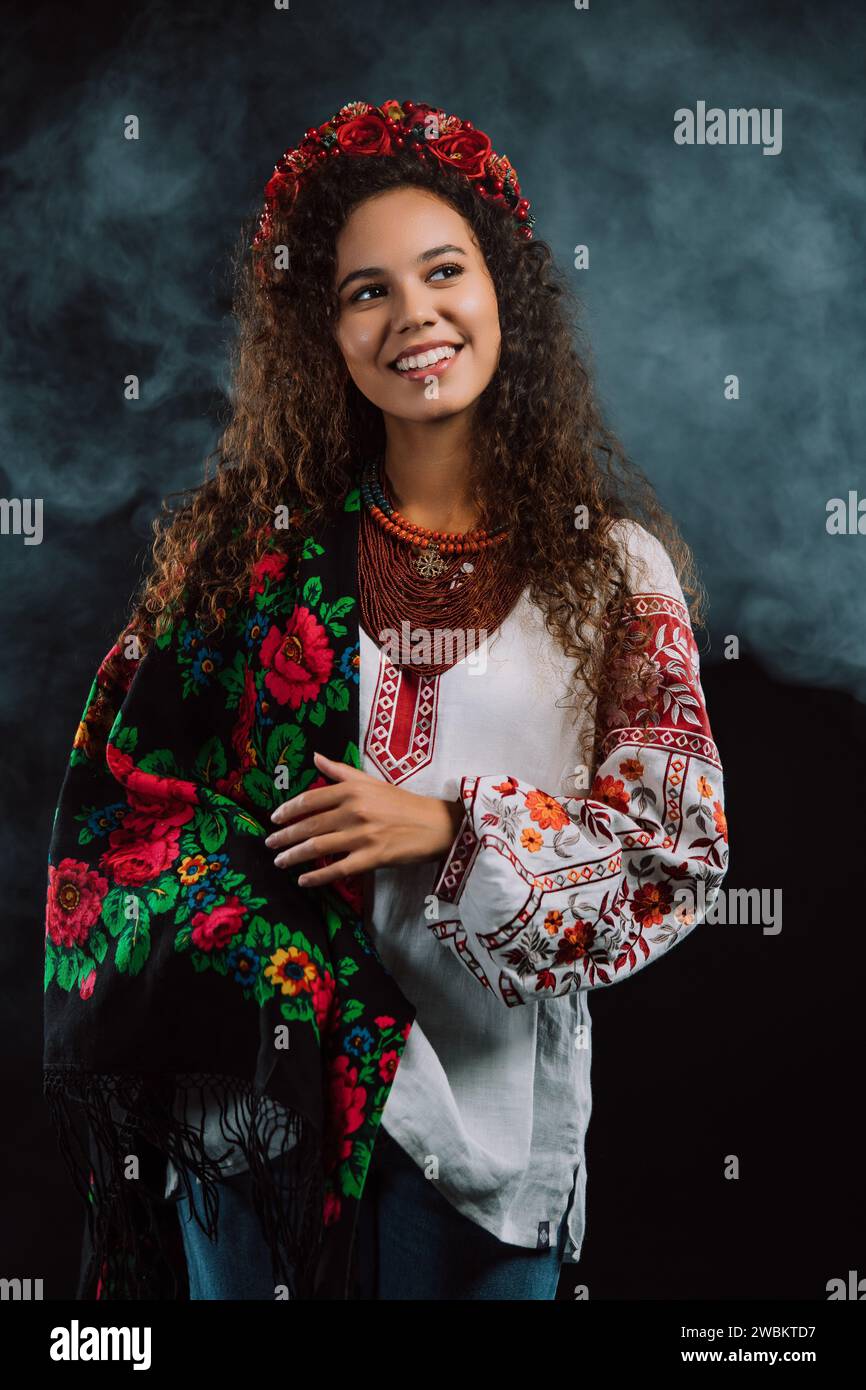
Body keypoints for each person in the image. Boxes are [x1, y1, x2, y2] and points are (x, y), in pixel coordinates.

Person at [43, 98, 729, 1302]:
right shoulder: (241, 561)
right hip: (263, 1126)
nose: (413, 314)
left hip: (488, 1139)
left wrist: (455, 825)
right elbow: (122, 818)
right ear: (324, 332)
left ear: (503, 289)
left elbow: (673, 855)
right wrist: (263, 942)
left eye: (442, 271)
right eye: (366, 290)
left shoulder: (611, 568)